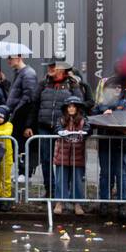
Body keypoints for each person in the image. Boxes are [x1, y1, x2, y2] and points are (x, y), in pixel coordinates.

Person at [34, 60, 91, 199]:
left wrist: (77, 125)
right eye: (49, 66)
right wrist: (30, 125)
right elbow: (34, 104)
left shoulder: (72, 84)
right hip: (44, 126)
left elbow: (79, 105)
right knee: (46, 159)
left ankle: (66, 192)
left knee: (68, 160)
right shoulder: (43, 83)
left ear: (63, 69)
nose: (50, 68)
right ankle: (50, 190)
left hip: (65, 127)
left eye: (54, 66)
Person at [92, 75, 126, 207]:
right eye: (114, 87)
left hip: (122, 143)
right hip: (105, 143)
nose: (118, 90)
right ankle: (104, 204)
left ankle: (122, 205)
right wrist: (102, 115)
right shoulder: (100, 105)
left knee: (121, 174)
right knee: (105, 174)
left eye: (119, 87)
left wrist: (114, 115)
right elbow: (92, 118)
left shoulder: (125, 104)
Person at [52, 95, 89, 215]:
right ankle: (59, 202)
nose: (71, 108)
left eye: (74, 106)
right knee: (60, 179)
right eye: (69, 106)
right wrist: (60, 131)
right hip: (62, 153)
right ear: (66, 108)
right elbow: (56, 128)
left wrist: (84, 132)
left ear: (78, 108)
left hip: (78, 154)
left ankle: (77, 203)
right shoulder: (61, 119)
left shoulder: (83, 119)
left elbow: (88, 129)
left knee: (77, 180)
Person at [3, 54, 39, 137]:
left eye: (10, 58)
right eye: (7, 58)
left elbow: (29, 100)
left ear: (19, 58)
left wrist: (27, 125)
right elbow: (15, 93)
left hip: (21, 119)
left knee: (21, 147)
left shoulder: (28, 73)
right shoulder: (19, 73)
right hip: (17, 118)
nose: (8, 61)